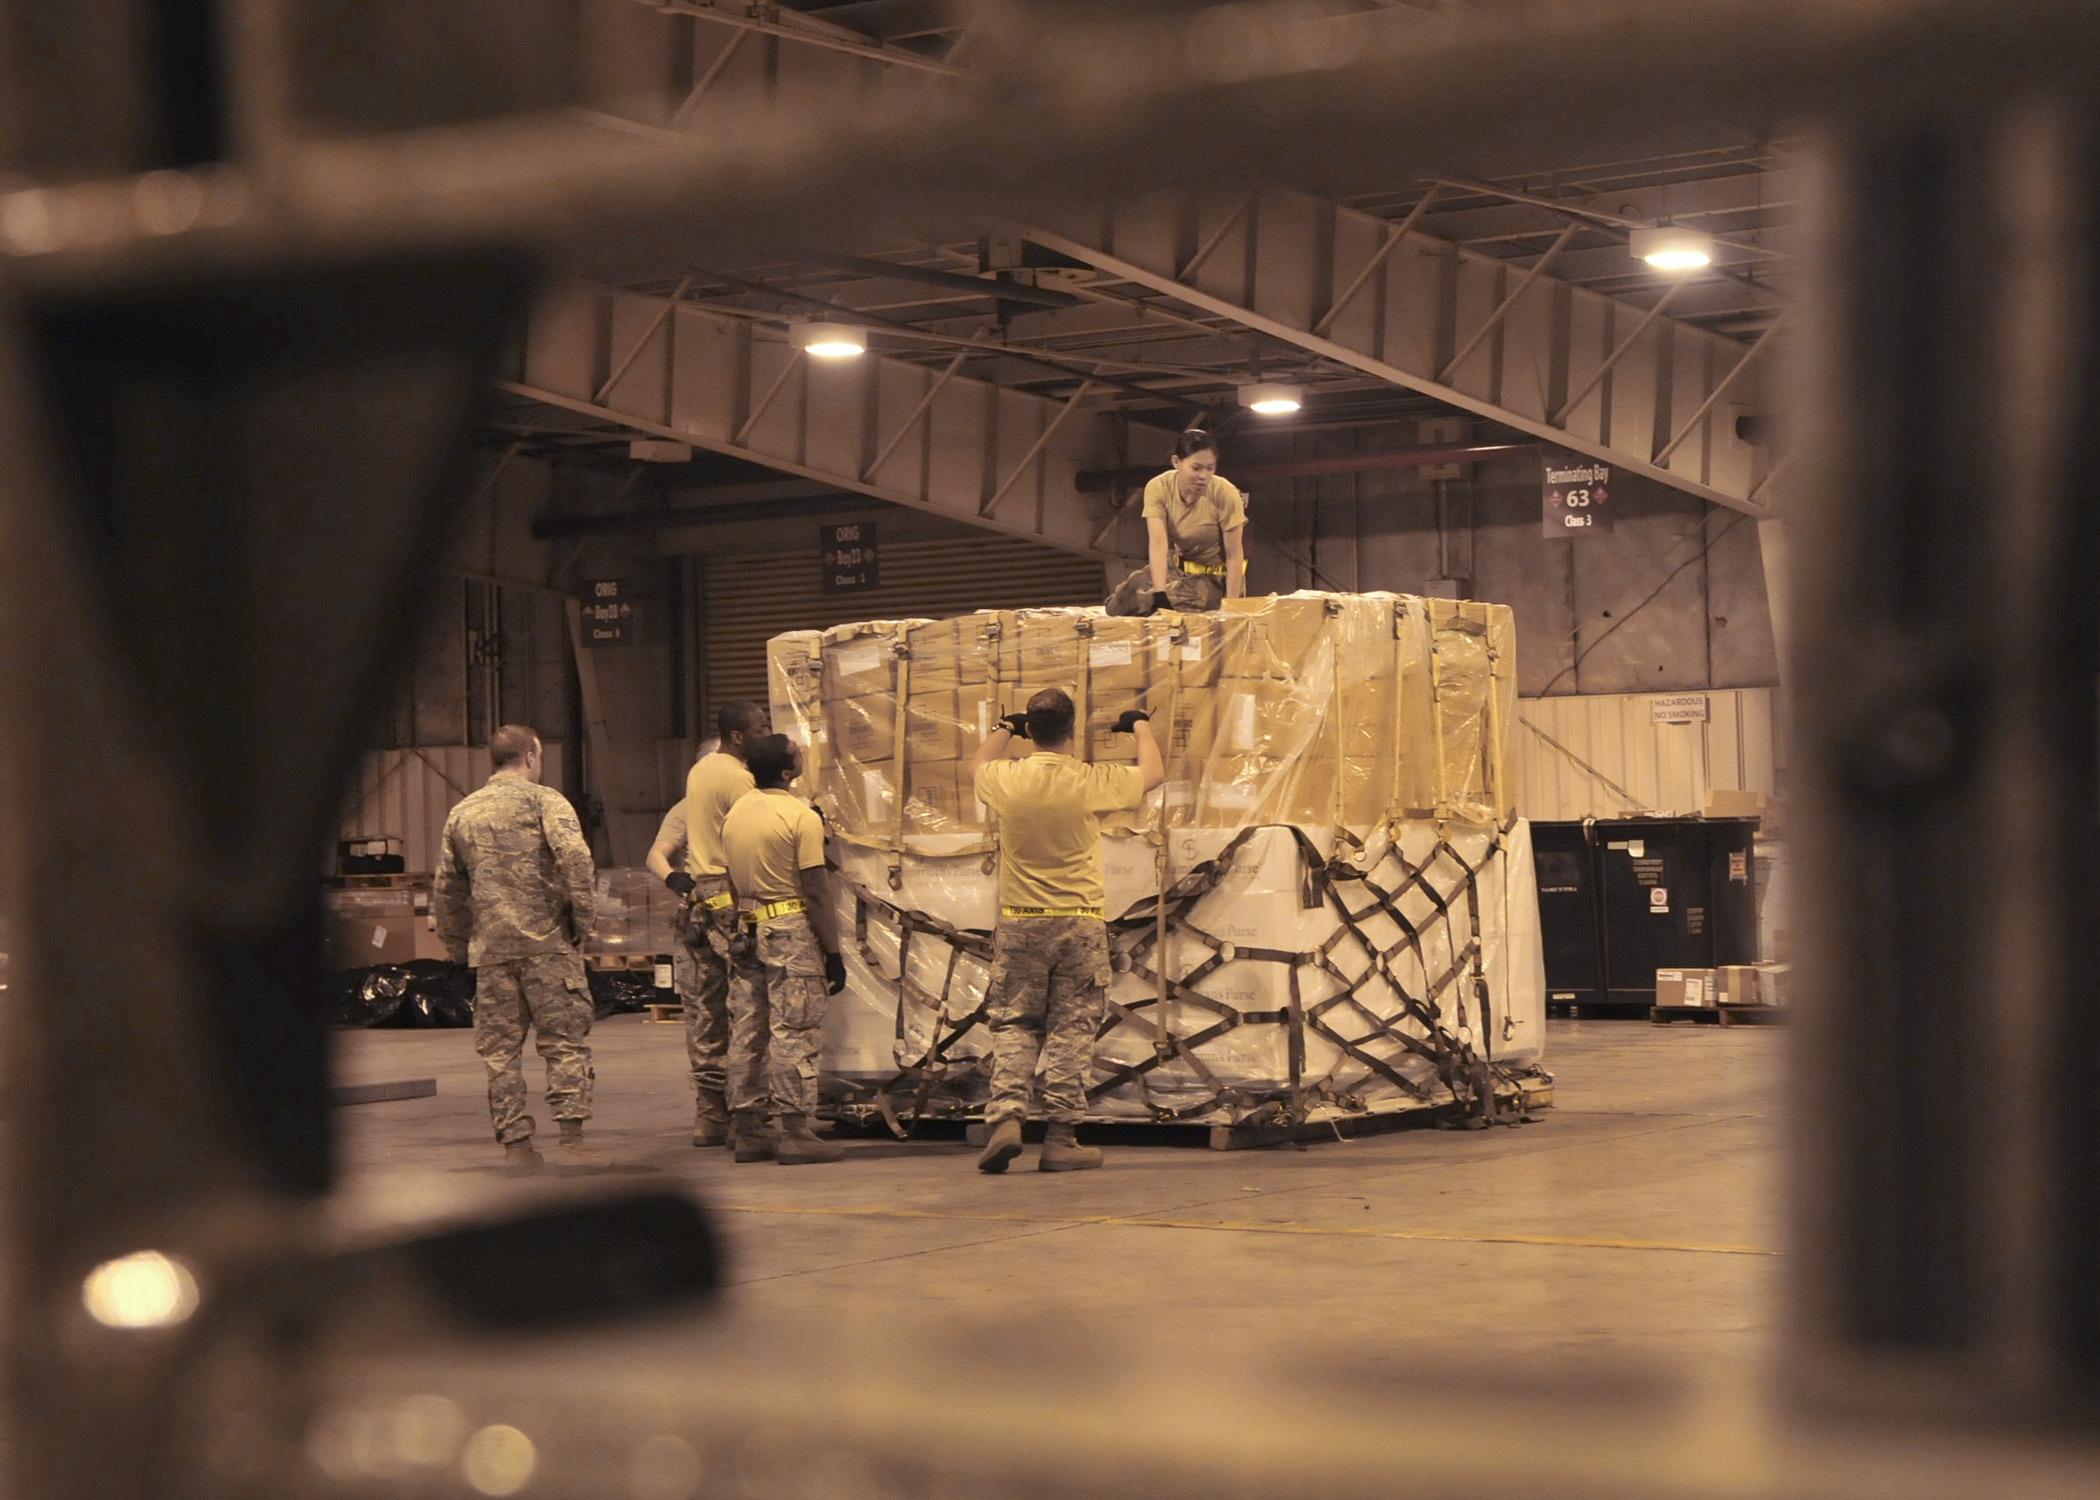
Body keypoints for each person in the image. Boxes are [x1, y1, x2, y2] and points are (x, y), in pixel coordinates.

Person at [969, 688, 1164, 1172]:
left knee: (1016, 1022)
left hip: (1019, 922)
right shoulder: (1088, 781)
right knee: (1071, 1028)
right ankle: (1060, 1140)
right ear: (1073, 730)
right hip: (1078, 922)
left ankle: (1007, 1121)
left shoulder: (1004, 779)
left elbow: (977, 764)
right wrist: (1138, 724)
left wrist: (1003, 729)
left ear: (1031, 731)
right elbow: (1154, 774)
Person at [433, 724, 609, 1171]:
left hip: (492, 953)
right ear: (531, 757)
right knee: (564, 1045)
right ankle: (572, 1140)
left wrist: (458, 947)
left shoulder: (462, 813)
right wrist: (582, 921)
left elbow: (448, 890)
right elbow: (576, 859)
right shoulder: (545, 801)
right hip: (548, 945)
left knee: (500, 1055)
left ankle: (517, 1147)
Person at [720, 734, 850, 1166]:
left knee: (748, 1030)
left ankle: (748, 1127)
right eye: (798, 755)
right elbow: (815, 891)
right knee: (794, 1029)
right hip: (788, 928)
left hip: (746, 924)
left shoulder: (736, 812)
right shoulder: (800, 817)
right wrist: (832, 953)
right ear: (787, 771)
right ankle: (795, 1130)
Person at [645, 701, 770, 1147]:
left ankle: (710, 1115)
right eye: (760, 727)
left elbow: (659, 853)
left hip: (698, 907)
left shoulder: (696, 785)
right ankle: (745, 1115)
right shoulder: (738, 781)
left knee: (704, 1016)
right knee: (749, 1011)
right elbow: (755, 834)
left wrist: (683, 879)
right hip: (729, 905)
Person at [1105, 428, 1249, 616]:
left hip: (1214, 577)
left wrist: (1231, 608)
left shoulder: (1225, 494)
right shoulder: (1158, 488)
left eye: (1210, 468)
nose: (1204, 476)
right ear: (1176, 462)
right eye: (1196, 468)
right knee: (1122, 600)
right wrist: (1159, 594)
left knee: (1162, 599)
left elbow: (1234, 555)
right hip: (1179, 567)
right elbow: (1158, 543)